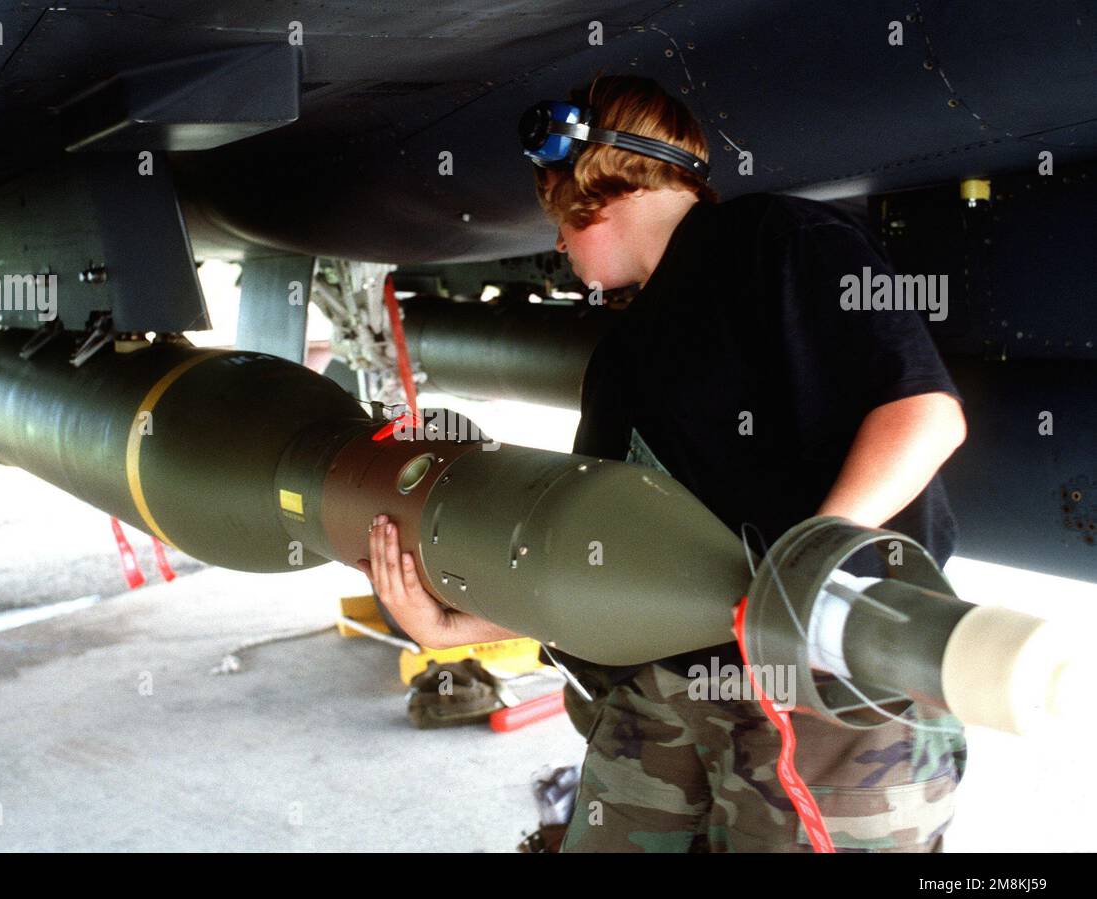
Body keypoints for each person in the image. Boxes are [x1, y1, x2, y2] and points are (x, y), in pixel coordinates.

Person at [356, 74, 968, 852]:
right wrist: (453, 627)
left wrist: (806, 561)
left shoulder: (781, 242)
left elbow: (923, 413)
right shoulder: (624, 353)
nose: (556, 243)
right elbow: (589, 565)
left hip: (826, 693)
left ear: (595, 190)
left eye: (558, 216)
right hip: (666, 692)